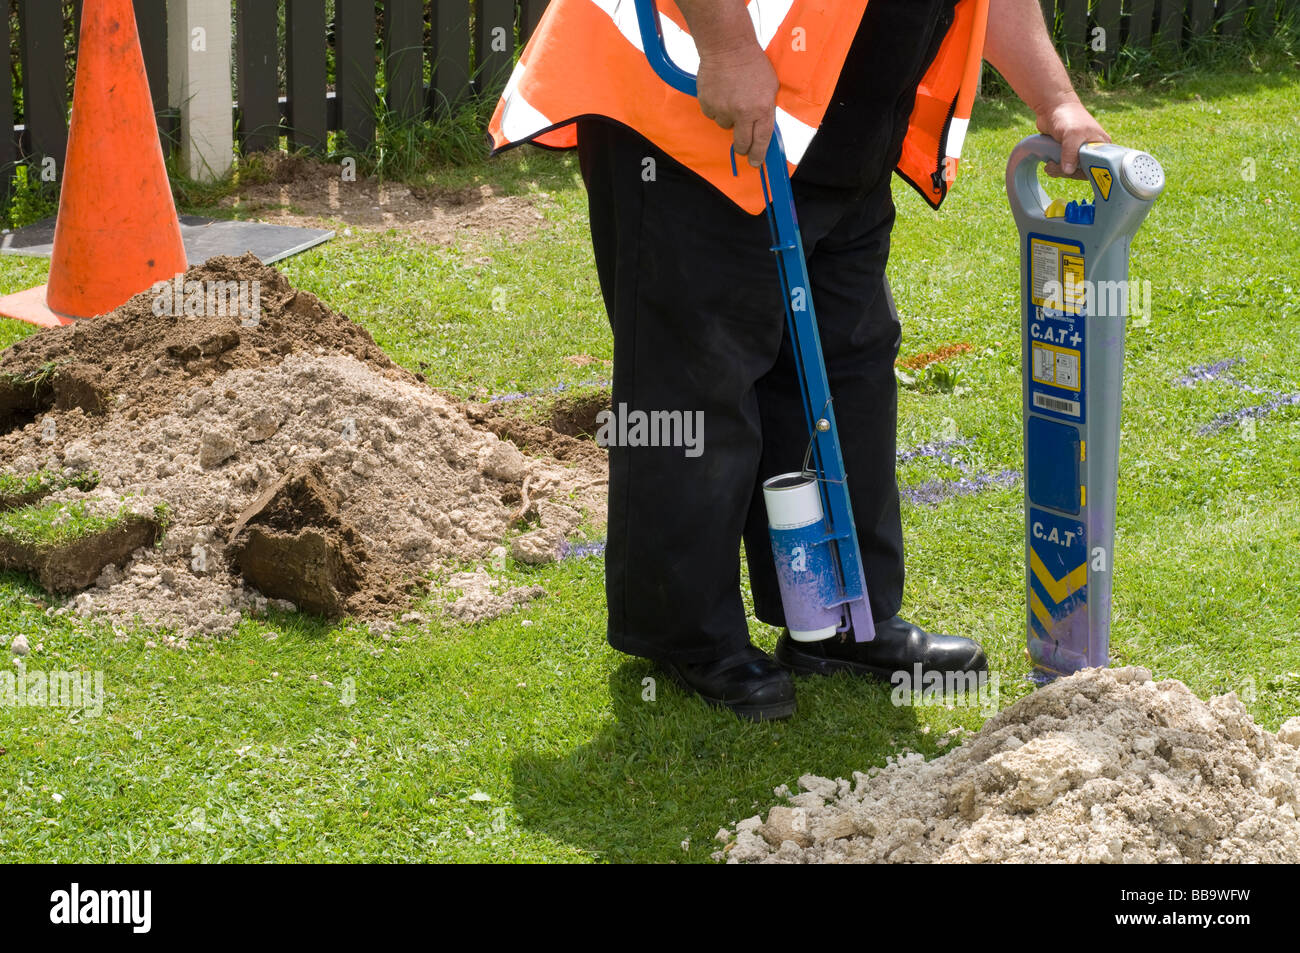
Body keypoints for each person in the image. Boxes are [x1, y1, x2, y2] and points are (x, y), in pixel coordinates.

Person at [489, 0, 1109, 720]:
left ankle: (839, 619)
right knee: (698, 380)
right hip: (693, 104)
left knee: (850, 362)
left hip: (833, 131)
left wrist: (1055, 98)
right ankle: (686, 634)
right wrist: (725, 47)